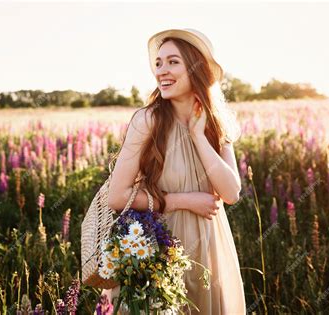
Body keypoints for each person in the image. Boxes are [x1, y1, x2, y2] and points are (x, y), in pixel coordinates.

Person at [105, 28, 246, 314]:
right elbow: (116, 197)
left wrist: (197, 135)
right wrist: (184, 201)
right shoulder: (148, 120)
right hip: (157, 251)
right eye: (158, 63)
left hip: (209, 252)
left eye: (172, 62)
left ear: (196, 68)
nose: (161, 71)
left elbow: (231, 193)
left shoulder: (215, 124)